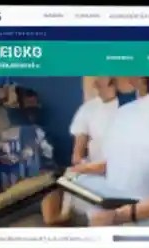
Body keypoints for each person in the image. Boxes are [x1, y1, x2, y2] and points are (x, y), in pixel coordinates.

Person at [72, 76, 149, 227]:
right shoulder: (124, 114)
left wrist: (116, 217)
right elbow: (123, 161)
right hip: (114, 220)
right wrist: (83, 170)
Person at [41, 76, 118, 225]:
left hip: (119, 174)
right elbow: (77, 154)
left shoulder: (129, 108)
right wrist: (82, 165)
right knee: (57, 187)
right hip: (91, 172)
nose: (94, 81)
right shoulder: (88, 109)